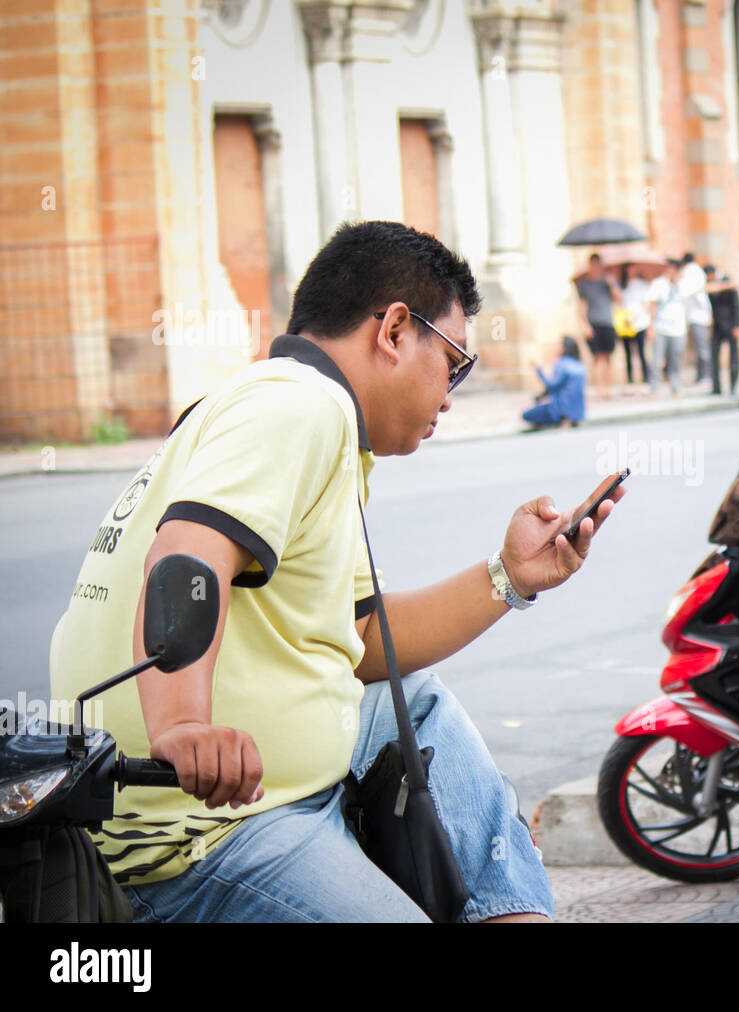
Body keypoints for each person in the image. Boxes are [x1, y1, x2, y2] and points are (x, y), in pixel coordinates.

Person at [48, 221, 624, 923]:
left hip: (265, 786)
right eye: (455, 364)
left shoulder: (306, 419)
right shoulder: (299, 405)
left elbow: (359, 641)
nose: (451, 395)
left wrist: (511, 576)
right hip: (206, 834)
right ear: (393, 330)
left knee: (413, 701)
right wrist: (183, 727)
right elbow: (187, 552)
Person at [574, 252, 618, 399]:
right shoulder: (584, 285)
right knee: (598, 358)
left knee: (608, 358)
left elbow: (618, 299)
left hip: (608, 322)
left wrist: (612, 285)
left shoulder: (608, 281)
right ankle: (600, 389)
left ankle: (609, 389)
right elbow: (581, 307)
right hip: (594, 323)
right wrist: (585, 325)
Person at [524, 336, 586, 428]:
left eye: (558, 345)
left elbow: (551, 385)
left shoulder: (561, 364)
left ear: (564, 348)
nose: (555, 347)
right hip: (579, 413)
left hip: (561, 411)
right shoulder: (580, 365)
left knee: (526, 415)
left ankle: (560, 421)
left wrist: (538, 368)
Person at [646, 259, 687, 397]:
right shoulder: (659, 284)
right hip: (661, 328)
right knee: (657, 360)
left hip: (678, 329)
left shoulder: (682, 285)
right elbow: (652, 305)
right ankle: (654, 389)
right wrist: (650, 326)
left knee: (674, 360)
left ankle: (675, 388)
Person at [677, 252, 713, 386]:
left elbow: (694, 293)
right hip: (698, 316)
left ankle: (705, 374)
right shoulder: (695, 272)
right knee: (700, 348)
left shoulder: (690, 273)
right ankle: (702, 374)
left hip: (696, 317)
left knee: (701, 348)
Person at [704, 264, 739, 396]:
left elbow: (736, 305)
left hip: (730, 324)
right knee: (714, 356)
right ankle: (716, 387)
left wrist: (737, 325)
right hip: (717, 326)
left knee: (734, 357)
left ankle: (733, 387)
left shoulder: (727, 280)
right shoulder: (715, 284)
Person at [616, 264, 652, 388]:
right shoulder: (622, 285)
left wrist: (635, 316)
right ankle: (630, 378)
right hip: (626, 324)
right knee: (628, 353)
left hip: (639, 323)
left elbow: (646, 303)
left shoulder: (642, 285)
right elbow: (619, 301)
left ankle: (646, 376)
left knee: (641, 351)